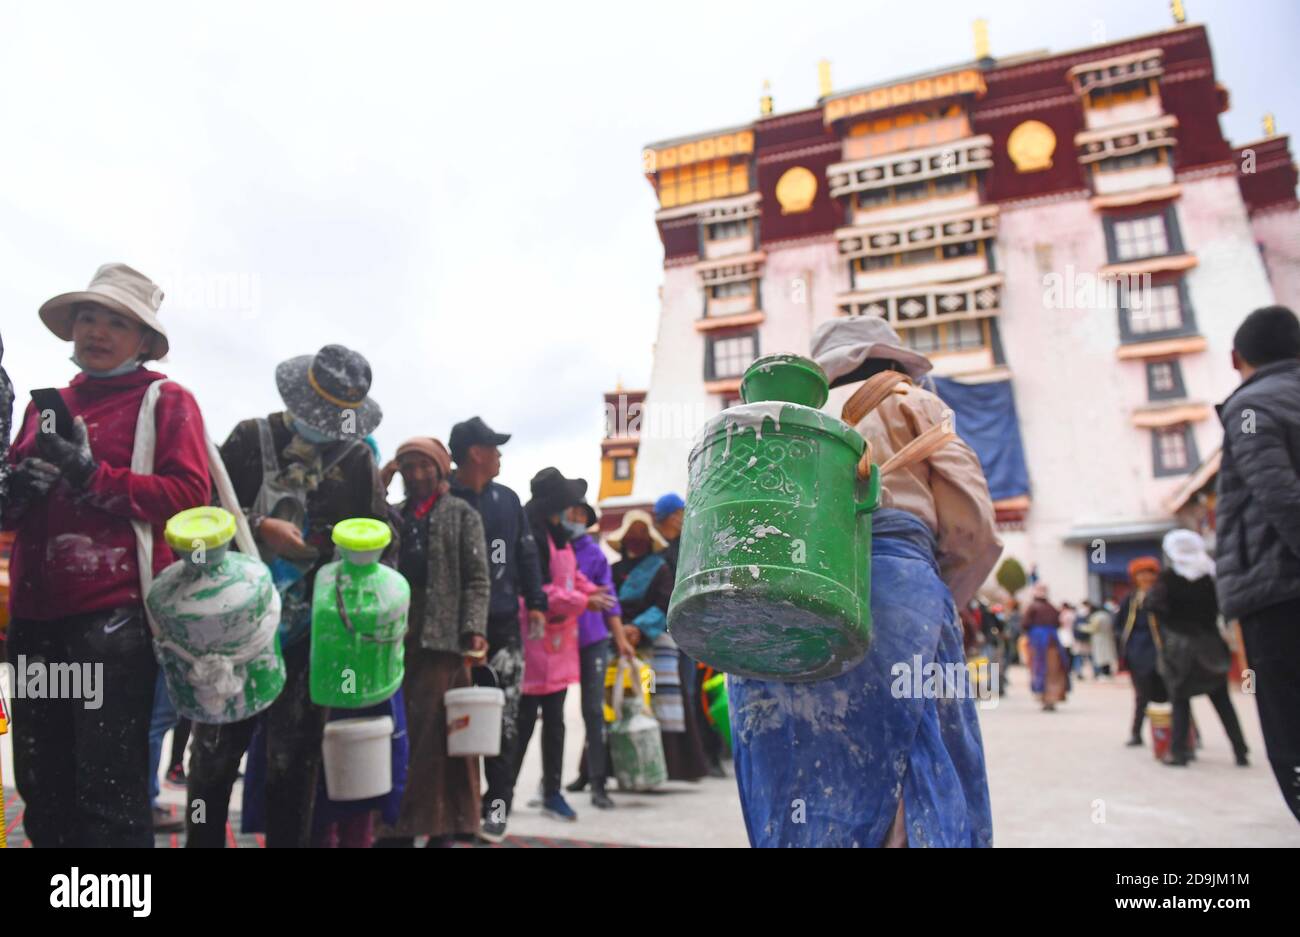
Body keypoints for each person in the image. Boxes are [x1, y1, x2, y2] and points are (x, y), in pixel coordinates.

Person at [728, 317, 999, 847]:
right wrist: (939, 591)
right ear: (891, 360)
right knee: (908, 758)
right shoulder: (908, 401)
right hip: (895, 591)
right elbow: (973, 525)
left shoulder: (784, 419)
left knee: (797, 762)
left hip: (785, 603)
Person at [3, 264, 211, 847]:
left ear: (145, 340)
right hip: (36, 621)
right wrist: (19, 489)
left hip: (113, 623)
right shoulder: (46, 405)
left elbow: (189, 496)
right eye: (87, 317)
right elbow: (10, 508)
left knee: (107, 794)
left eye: (117, 322)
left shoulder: (165, 401)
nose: (97, 331)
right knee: (43, 788)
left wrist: (94, 475)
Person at [186, 344, 393, 848]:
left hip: (308, 638)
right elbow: (201, 514)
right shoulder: (250, 438)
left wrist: (352, 550)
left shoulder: (357, 458)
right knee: (213, 758)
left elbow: (384, 538)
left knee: (293, 764)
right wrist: (258, 527)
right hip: (231, 631)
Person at [372, 436, 489, 846]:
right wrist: (379, 484)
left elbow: (477, 577)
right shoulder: (393, 515)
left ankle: (444, 823)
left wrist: (474, 628)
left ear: (441, 470)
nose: (417, 474)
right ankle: (399, 823)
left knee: (442, 737)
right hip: (397, 640)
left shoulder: (462, 513)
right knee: (401, 732)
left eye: (425, 466)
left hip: (444, 641)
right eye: (408, 467)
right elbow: (364, 530)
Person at [1214, 305, 1300, 821]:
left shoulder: (1252, 407)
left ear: (1235, 358)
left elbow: (1282, 498)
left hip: (1280, 596)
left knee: (1291, 739)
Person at [447, 416, 548, 843]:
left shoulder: (508, 500)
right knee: (455, 718)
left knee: (506, 717)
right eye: (495, 447)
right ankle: (456, 806)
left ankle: (497, 807)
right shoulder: (443, 497)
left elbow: (526, 554)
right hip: (451, 628)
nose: (501, 455)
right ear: (476, 453)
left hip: (504, 623)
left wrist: (537, 603)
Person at [512, 468, 607, 823]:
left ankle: (552, 792)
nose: (572, 513)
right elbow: (541, 592)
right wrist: (584, 602)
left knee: (555, 723)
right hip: (535, 643)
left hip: (559, 647)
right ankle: (501, 796)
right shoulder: (531, 540)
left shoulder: (559, 537)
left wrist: (588, 591)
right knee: (522, 723)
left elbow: (571, 577)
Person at [609, 509, 710, 782]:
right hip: (619, 639)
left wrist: (639, 629)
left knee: (659, 694)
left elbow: (664, 601)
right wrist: (622, 630)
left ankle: (670, 763)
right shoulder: (614, 570)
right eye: (632, 533)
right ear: (624, 537)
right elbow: (610, 604)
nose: (636, 538)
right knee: (615, 697)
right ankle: (610, 765)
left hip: (653, 638)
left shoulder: (660, 568)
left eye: (642, 533)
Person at [1145, 530, 1249, 768]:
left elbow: (1152, 606)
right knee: (1222, 700)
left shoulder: (1168, 579)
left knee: (1180, 700)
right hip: (1210, 644)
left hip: (1180, 648)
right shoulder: (1211, 576)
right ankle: (1240, 750)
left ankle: (1179, 753)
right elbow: (1225, 607)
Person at [564, 501, 633, 808]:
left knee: (593, 710)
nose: (574, 518)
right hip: (558, 639)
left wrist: (620, 638)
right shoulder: (551, 548)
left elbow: (609, 600)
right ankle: (550, 784)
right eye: (571, 512)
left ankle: (597, 782)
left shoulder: (594, 555)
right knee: (553, 712)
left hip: (592, 639)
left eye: (580, 514)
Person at [653, 490, 726, 779]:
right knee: (658, 693)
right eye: (682, 513)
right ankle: (674, 760)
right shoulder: (660, 551)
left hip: (691, 633)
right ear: (673, 516)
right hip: (660, 639)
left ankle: (707, 756)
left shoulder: (689, 544)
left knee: (695, 692)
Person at [1117, 557, 1165, 748]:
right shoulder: (1130, 599)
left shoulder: (1162, 595)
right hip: (1137, 651)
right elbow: (1119, 624)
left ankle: (1189, 732)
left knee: (1175, 692)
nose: (1146, 577)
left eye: (1150, 573)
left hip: (1161, 650)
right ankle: (1136, 733)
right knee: (1141, 695)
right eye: (1141, 573)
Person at [1022, 585, 1069, 711]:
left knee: (1041, 669)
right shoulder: (1052, 607)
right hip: (1052, 642)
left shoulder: (1032, 607)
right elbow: (1058, 623)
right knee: (1053, 671)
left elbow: (1025, 624)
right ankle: (1051, 699)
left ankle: (1046, 698)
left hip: (1039, 643)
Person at [1085, 600, 1117, 678]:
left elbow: (1094, 628)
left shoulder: (1096, 617)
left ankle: (1104, 673)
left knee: (1101, 656)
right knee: (1107, 656)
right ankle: (1108, 672)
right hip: (1108, 637)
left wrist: (1082, 628)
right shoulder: (1106, 615)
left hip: (1099, 638)